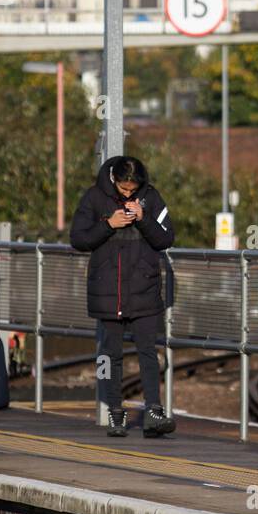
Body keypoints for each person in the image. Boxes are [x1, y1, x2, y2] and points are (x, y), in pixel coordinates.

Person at [70, 155, 175, 437]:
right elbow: (78, 239)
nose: (128, 193)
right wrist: (108, 224)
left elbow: (166, 238)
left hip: (144, 289)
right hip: (108, 291)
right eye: (123, 189)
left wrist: (144, 219)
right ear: (114, 180)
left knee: (148, 352)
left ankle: (154, 410)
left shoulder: (151, 197)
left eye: (133, 189)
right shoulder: (94, 197)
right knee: (110, 354)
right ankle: (116, 412)